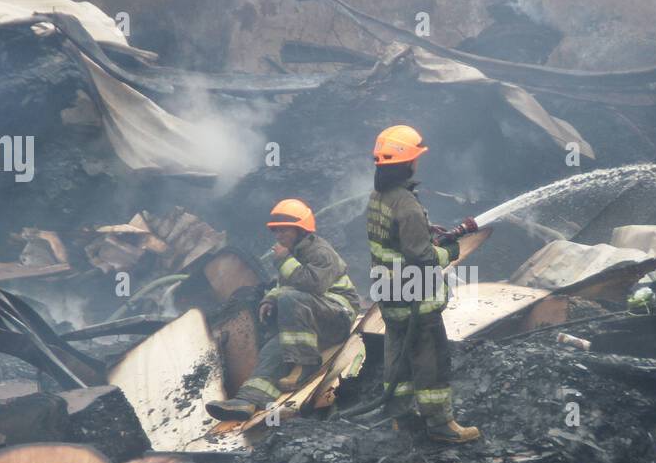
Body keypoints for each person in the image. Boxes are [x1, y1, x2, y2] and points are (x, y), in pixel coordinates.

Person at [366, 125, 480, 443]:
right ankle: (441, 424)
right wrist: (450, 250)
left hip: (389, 292)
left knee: (398, 350)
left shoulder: (378, 198)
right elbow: (422, 258)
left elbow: (394, 240)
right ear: (409, 163)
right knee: (430, 356)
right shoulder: (406, 204)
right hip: (414, 294)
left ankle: (399, 416)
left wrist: (427, 228)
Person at [205, 199, 359, 421]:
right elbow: (285, 286)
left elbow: (312, 284)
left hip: (337, 317)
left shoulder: (320, 252)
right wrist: (269, 300)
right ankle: (248, 401)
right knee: (272, 349)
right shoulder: (293, 253)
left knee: (289, 300)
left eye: (283, 230)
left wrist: (285, 261)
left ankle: (305, 364)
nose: (278, 235)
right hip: (313, 322)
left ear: (300, 229)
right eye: (275, 231)